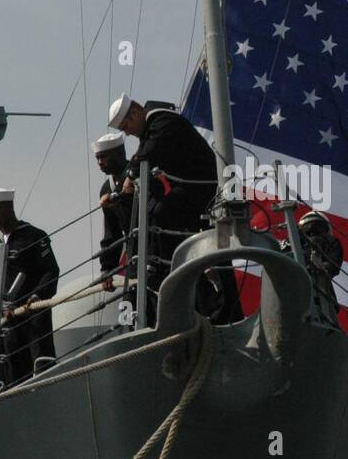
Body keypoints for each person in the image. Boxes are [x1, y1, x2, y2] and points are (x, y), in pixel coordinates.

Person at [108, 92, 241, 324]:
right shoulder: (153, 127)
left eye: (126, 124)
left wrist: (130, 175)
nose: (126, 131)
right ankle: (190, 293)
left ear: (137, 112)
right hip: (190, 191)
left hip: (201, 190)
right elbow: (140, 156)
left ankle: (202, 296)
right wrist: (122, 186)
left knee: (162, 216)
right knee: (157, 218)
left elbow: (149, 152)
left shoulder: (163, 122)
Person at [0, 188, 59, 386]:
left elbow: (51, 270)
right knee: (16, 375)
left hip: (34, 317)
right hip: (10, 322)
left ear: (9, 208)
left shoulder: (33, 236)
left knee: (42, 367)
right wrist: (0, 305)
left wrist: (38, 295)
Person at [283, 210, 343, 327]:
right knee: (331, 329)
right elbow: (333, 266)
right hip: (322, 298)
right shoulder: (331, 242)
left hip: (293, 299)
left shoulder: (288, 245)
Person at [92, 132, 133, 288]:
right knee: (130, 303)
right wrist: (108, 268)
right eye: (97, 158)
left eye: (103, 157)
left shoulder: (137, 173)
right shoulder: (106, 188)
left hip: (156, 243)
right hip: (133, 249)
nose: (100, 162)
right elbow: (112, 232)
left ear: (119, 153)